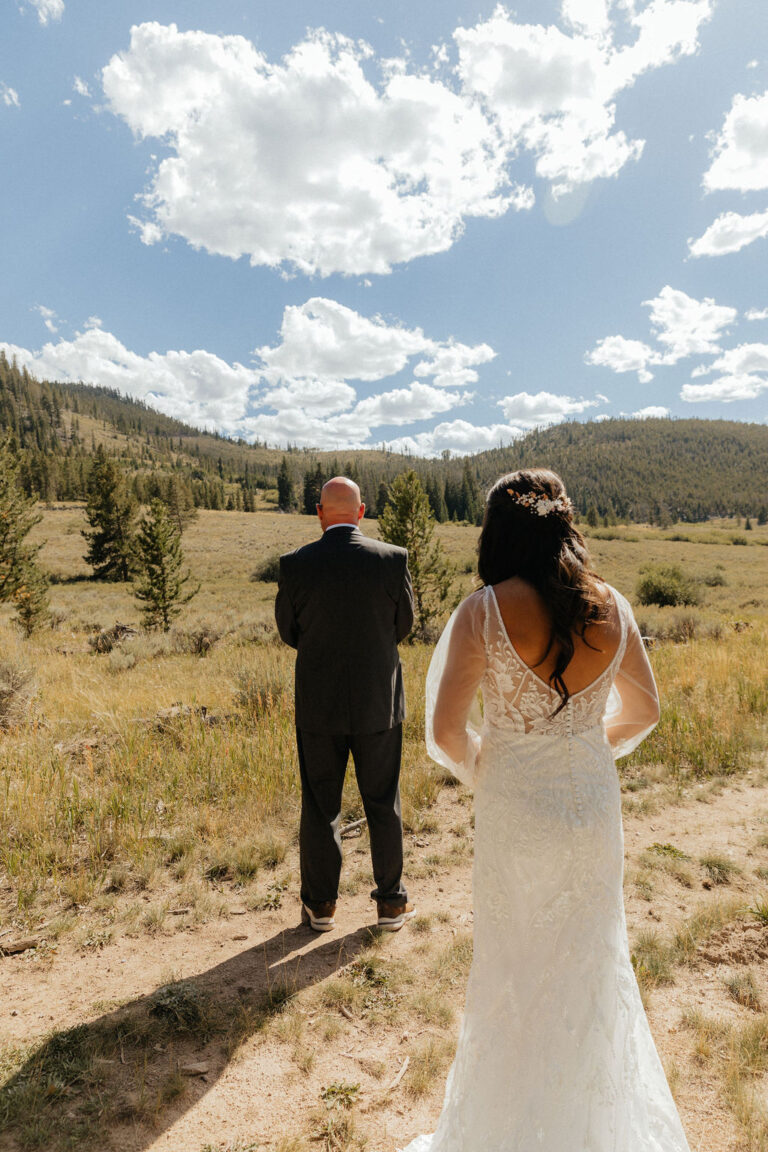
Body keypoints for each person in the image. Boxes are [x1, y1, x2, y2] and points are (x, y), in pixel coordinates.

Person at [402, 469, 690, 1152]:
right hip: (592, 804)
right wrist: (586, 749)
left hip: (515, 810)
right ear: (565, 523)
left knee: (512, 969)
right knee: (590, 966)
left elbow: (444, 734)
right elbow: (645, 709)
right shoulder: (611, 604)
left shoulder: (485, 610)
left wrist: (492, 766)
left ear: (498, 532)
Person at [275, 476, 417, 933]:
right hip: (379, 701)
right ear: (360, 513)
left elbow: (288, 632)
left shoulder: (295, 564)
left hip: (319, 704)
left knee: (320, 805)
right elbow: (403, 626)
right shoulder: (393, 560)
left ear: (319, 513)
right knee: (383, 800)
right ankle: (391, 905)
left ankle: (320, 908)